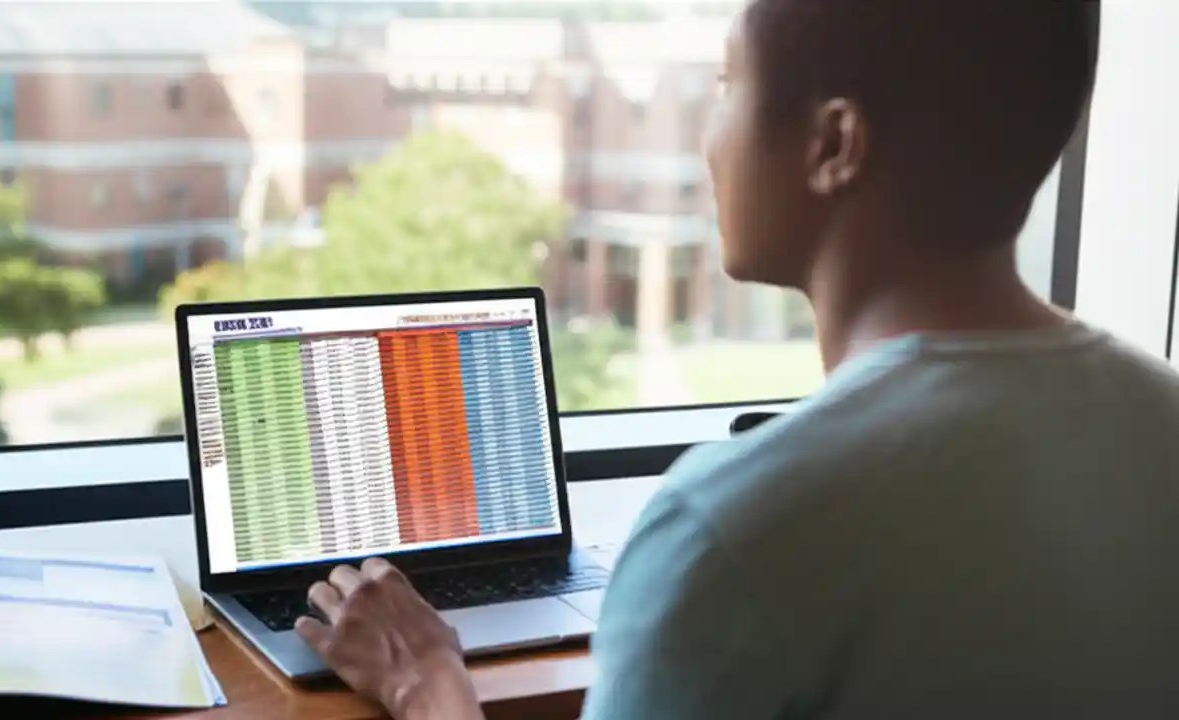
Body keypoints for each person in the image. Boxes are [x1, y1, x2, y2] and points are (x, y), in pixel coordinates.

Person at [294, 1, 1179, 717]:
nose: (708, 141)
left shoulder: (733, 532)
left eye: (727, 84)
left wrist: (429, 686)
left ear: (834, 145)